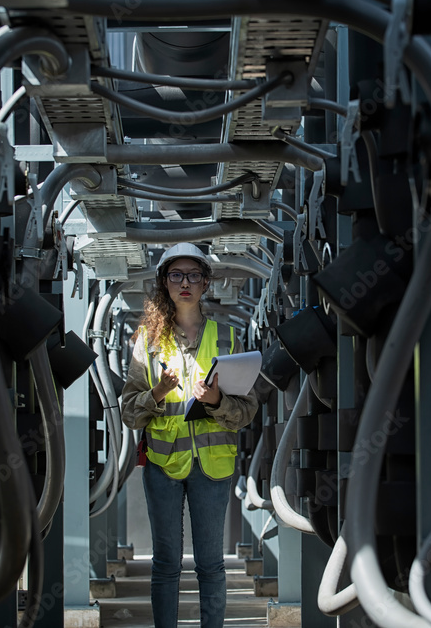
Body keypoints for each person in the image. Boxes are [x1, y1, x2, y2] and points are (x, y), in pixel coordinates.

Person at [120, 242, 259, 628]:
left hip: (214, 467)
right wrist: (158, 393)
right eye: (176, 275)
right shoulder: (147, 344)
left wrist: (216, 401)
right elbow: (130, 413)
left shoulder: (228, 339)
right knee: (165, 564)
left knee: (211, 566)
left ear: (206, 283)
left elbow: (247, 411)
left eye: (193, 275)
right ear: (165, 283)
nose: (185, 283)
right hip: (163, 464)